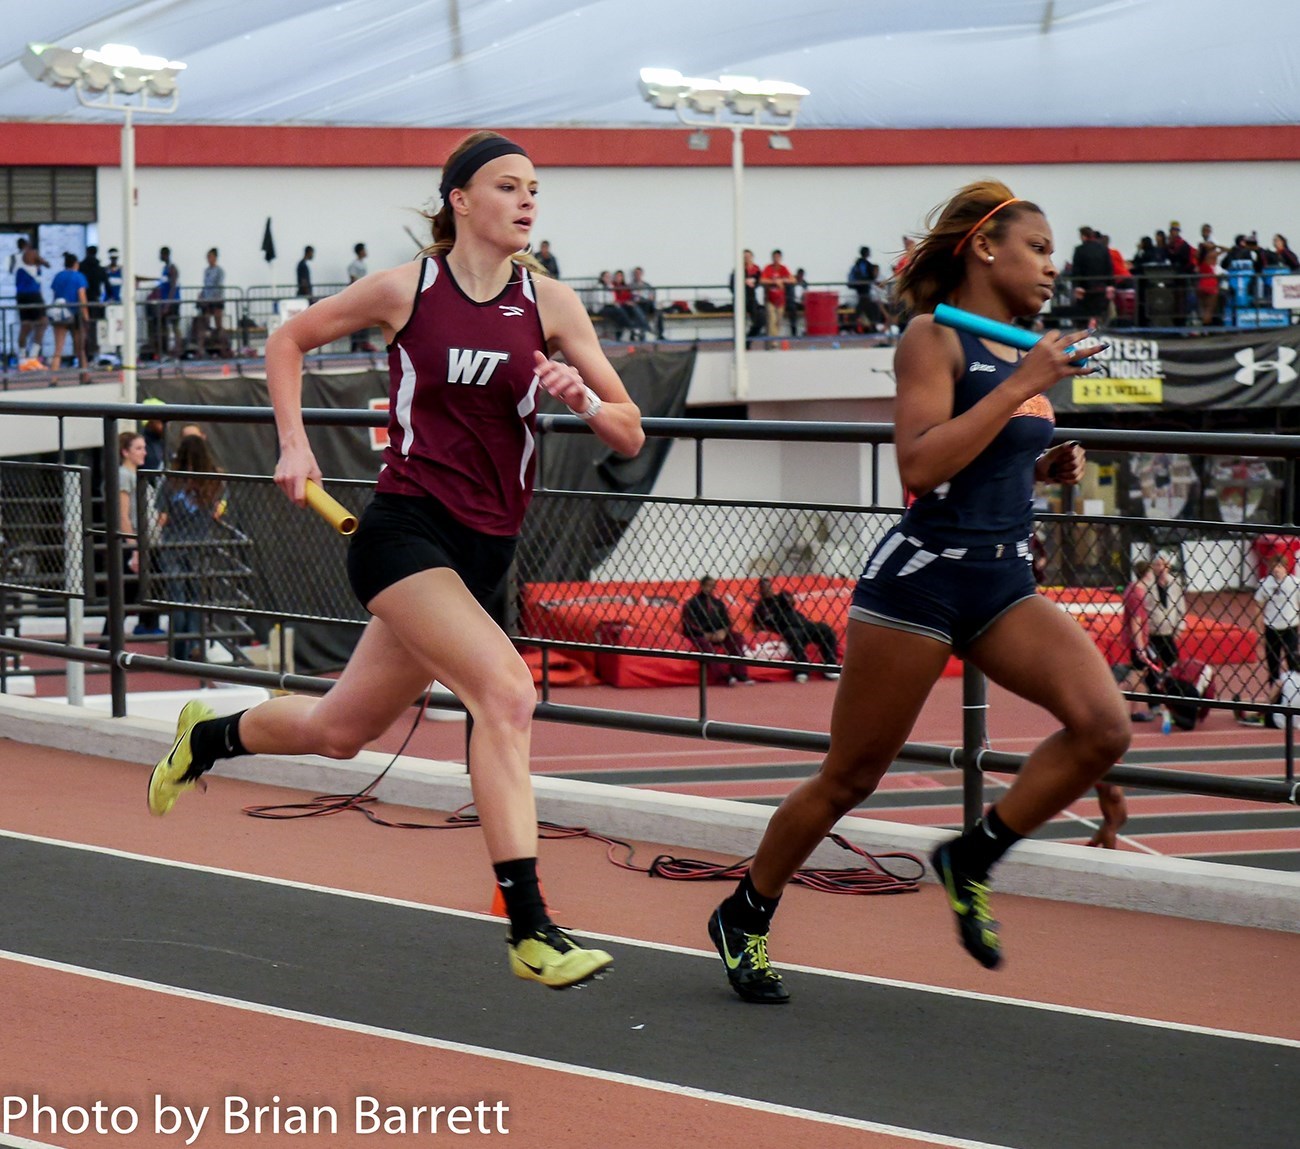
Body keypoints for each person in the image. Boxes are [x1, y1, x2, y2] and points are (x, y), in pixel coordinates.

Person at [147, 130, 645, 990]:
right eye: (507, 185)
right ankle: (530, 926)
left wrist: (589, 400)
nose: (528, 199)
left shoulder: (554, 305)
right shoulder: (405, 289)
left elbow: (631, 432)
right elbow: (287, 341)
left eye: (535, 188)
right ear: (460, 199)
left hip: (484, 551)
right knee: (507, 691)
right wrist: (295, 447)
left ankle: (209, 734)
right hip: (405, 532)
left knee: (338, 732)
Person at [707, 180, 1129, 1002]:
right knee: (850, 776)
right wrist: (1020, 389)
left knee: (1104, 727)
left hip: (1004, 581)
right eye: (1038, 249)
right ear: (983, 248)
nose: (1052, 268)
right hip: (922, 586)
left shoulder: (1016, 345)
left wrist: (1040, 463)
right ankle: (745, 911)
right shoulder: (932, 337)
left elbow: (985, 454)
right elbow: (921, 465)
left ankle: (969, 856)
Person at [157, 433, 226, 661]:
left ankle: (177, 651)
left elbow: (162, 517)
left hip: (173, 542)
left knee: (176, 596)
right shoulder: (213, 480)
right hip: (201, 541)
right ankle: (195, 645)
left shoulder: (171, 480)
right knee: (197, 595)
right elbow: (219, 508)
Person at [752, 577, 840, 682]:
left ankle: (830, 667)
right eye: (764, 587)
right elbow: (757, 625)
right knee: (793, 635)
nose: (767, 589)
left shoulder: (780, 598)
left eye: (769, 586)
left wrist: (785, 598)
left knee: (826, 630)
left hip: (804, 624)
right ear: (760, 590)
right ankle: (802, 671)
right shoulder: (760, 608)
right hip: (788, 627)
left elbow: (791, 602)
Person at [682, 576, 753, 685]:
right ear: (701, 586)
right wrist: (704, 634)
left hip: (718, 633)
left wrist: (723, 632)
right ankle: (723, 677)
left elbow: (726, 621)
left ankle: (740, 673)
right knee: (704, 644)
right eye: (707, 585)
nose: (710, 588)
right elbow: (688, 623)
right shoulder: (691, 604)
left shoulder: (718, 603)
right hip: (701, 634)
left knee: (737, 638)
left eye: (712, 586)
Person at [1121, 559, 1159, 722]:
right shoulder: (1137, 594)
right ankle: (1129, 706)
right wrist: (1140, 647)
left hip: (1138, 638)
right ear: (1147, 573)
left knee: (1145, 672)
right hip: (1138, 640)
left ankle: (1153, 704)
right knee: (1137, 673)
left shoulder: (1133, 588)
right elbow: (1135, 621)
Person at [1255, 556, 1300, 685]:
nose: (1276, 570)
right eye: (1274, 567)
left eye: (1279, 566)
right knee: (1273, 663)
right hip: (1271, 627)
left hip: (1290, 627)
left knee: (1293, 660)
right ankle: (1275, 696)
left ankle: (1294, 689)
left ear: (1285, 568)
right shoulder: (1264, 584)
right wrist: (1260, 631)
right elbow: (1258, 607)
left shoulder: (1295, 583)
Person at [48, 252, 89, 374]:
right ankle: (84, 376)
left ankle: (54, 379)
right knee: (80, 349)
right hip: (75, 314)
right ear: (76, 264)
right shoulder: (79, 277)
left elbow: (55, 295)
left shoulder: (58, 276)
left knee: (58, 350)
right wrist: (86, 316)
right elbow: (82, 297)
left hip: (60, 314)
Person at [1145, 553, 1185, 671]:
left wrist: (1180, 627)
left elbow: (1181, 606)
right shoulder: (1147, 584)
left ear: (1168, 567)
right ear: (1153, 567)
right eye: (1157, 565)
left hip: (1169, 633)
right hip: (1152, 633)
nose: (1161, 568)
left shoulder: (1175, 583)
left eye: (1164, 565)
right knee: (1152, 665)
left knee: (1172, 663)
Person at [15, 237, 50, 364]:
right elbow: (47, 264)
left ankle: (22, 358)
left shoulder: (15, 257)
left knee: (25, 325)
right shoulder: (32, 254)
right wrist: (40, 261)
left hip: (21, 295)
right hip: (33, 294)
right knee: (43, 322)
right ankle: (33, 356)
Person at [196, 247, 226, 351]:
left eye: (211, 257)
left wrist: (213, 298)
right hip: (207, 301)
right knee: (204, 324)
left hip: (216, 300)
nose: (209, 259)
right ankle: (202, 348)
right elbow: (205, 285)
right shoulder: (206, 271)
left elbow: (218, 286)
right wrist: (202, 295)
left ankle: (223, 347)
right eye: (208, 257)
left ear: (215, 257)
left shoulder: (219, 271)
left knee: (219, 325)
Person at [760, 249, 794, 337]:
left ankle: (775, 337)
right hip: (770, 299)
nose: (776, 259)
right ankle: (773, 341)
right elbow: (762, 280)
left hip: (781, 300)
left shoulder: (783, 268)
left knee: (778, 321)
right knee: (771, 319)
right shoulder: (768, 268)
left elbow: (793, 279)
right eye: (775, 257)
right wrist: (774, 282)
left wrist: (782, 280)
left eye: (778, 257)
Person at [848, 246, 883, 332]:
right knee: (863, 307)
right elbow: (867, 277)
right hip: (864, 288)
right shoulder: (864, 264)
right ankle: (850, 325)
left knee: (865, 307)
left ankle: (871, 326)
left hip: (861, 288)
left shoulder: (858, 263)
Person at [347, 242, 374, 351]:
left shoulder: (363, 264)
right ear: (360, 251)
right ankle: (355, 345)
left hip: (363, 294)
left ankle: (363, 343)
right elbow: (353, 279)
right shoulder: (354, 265)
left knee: (364, 320)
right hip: (357, 295)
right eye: (364, 250)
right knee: (355, 320)